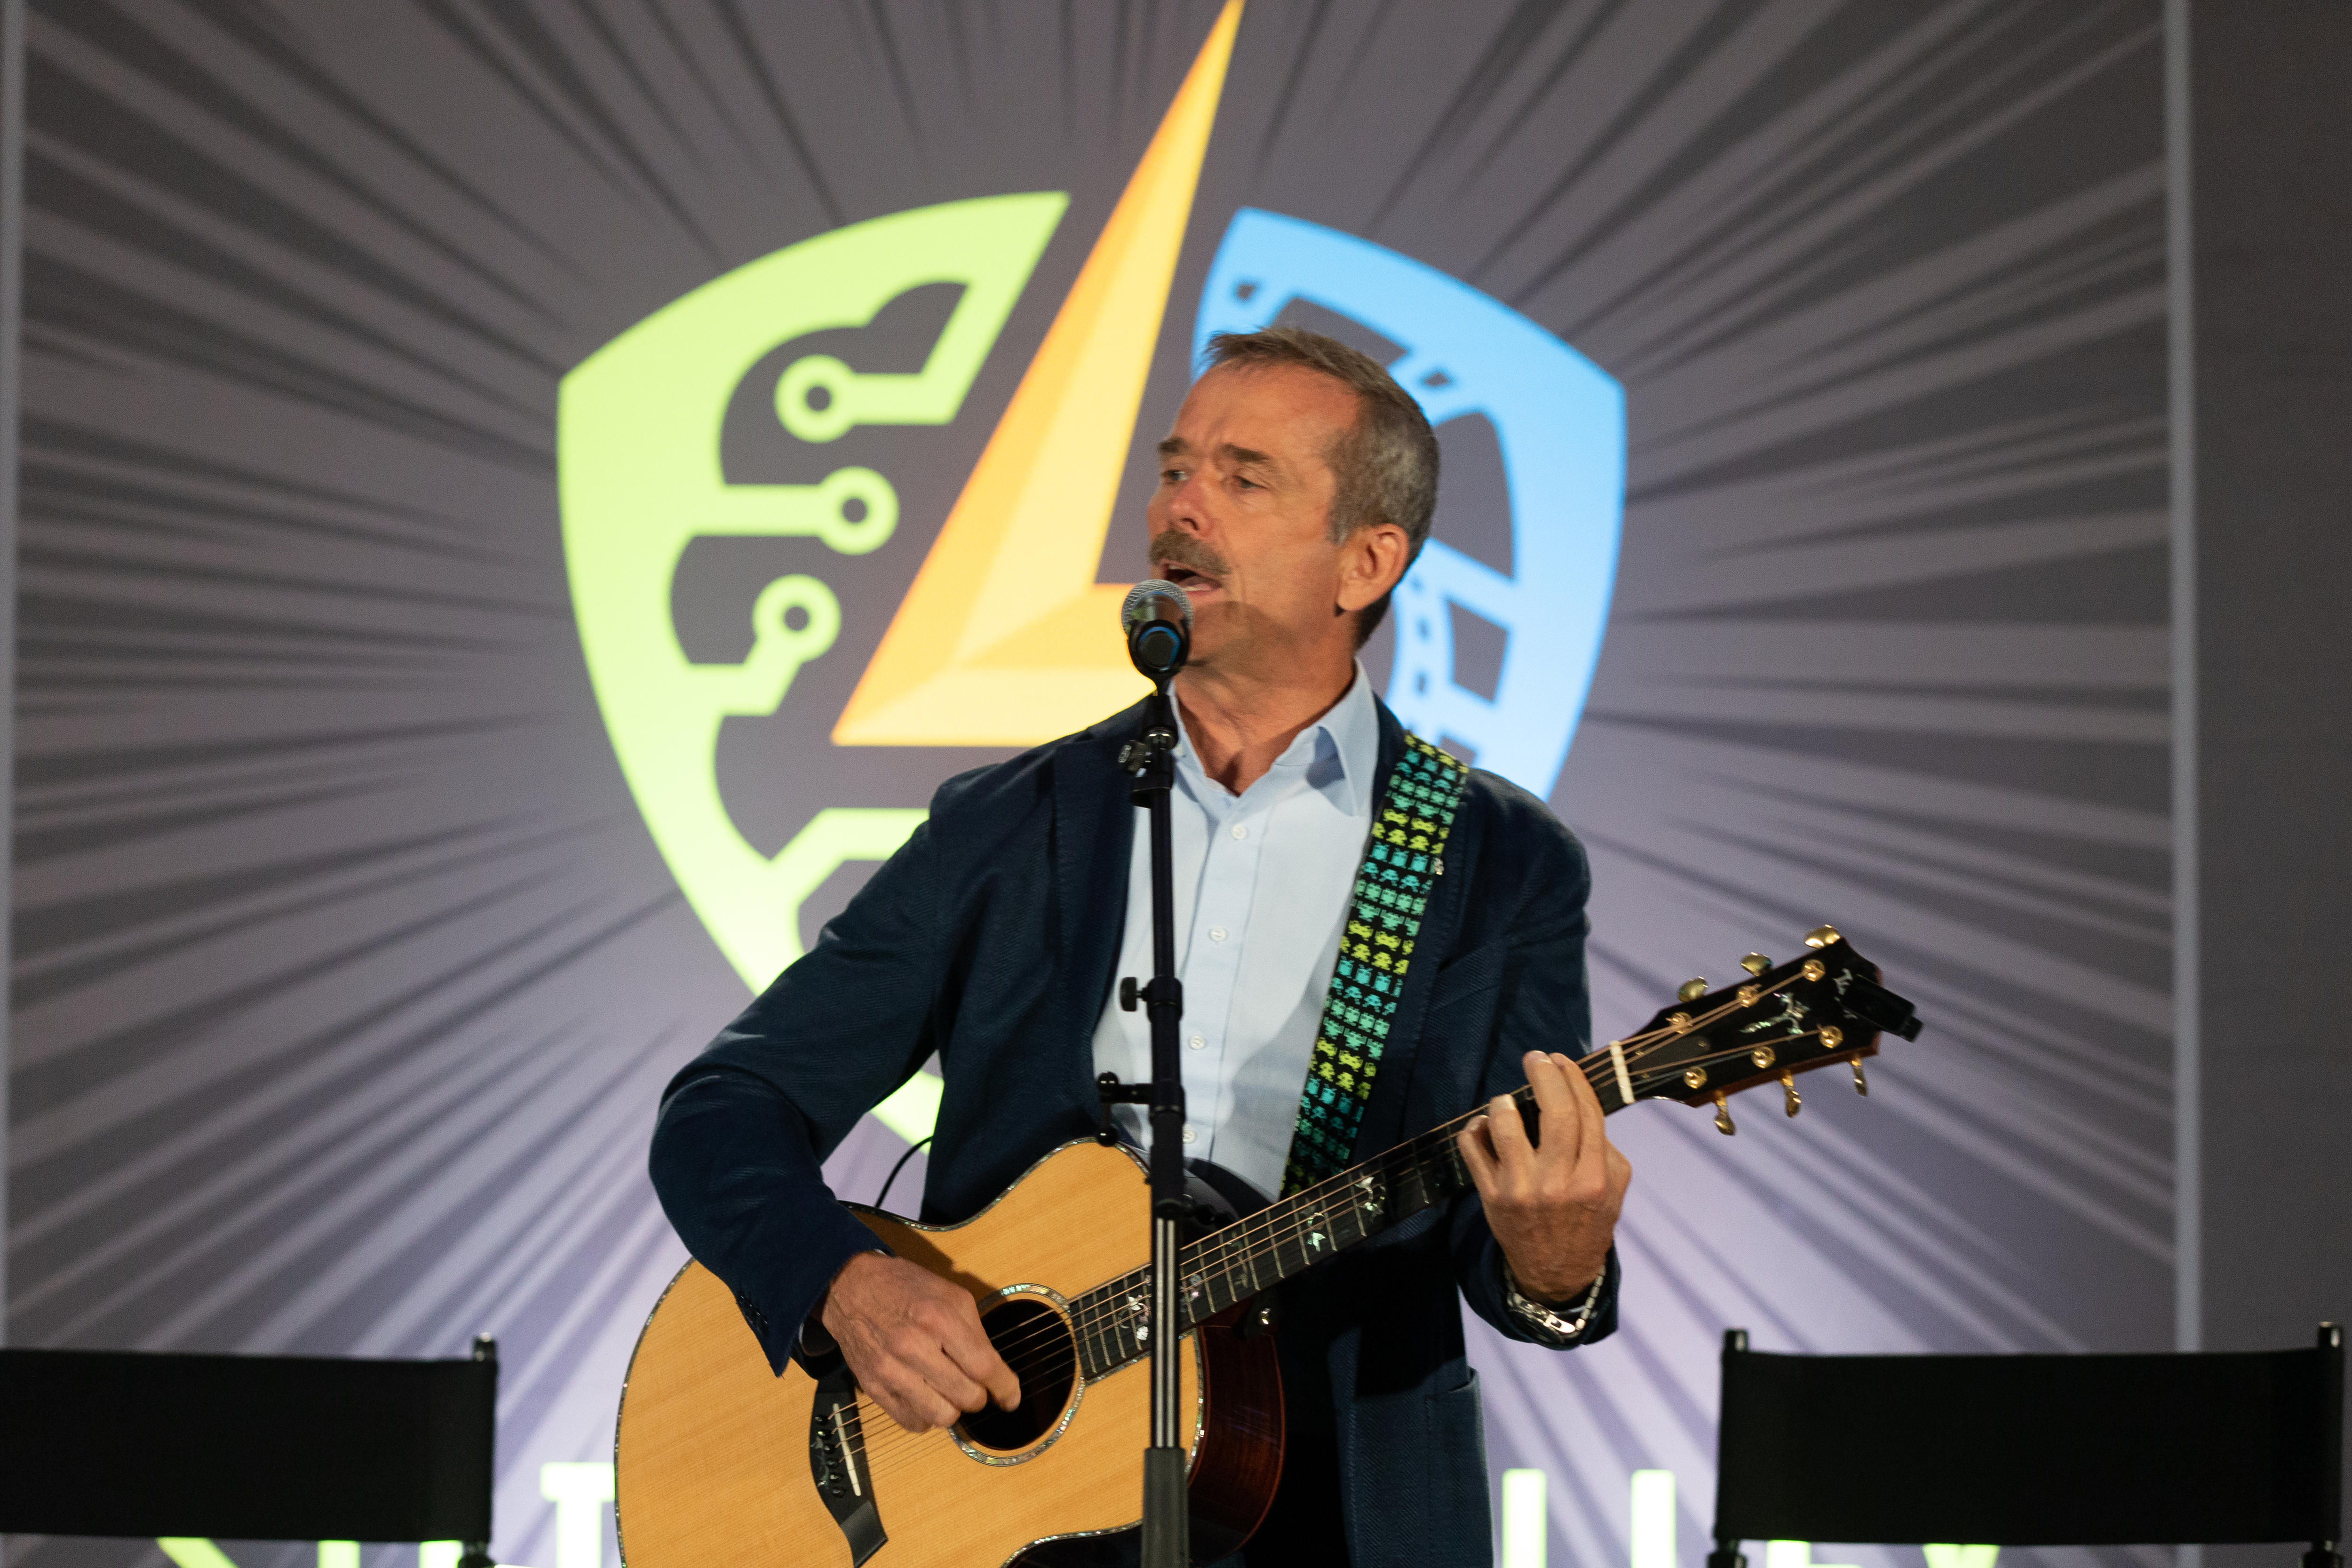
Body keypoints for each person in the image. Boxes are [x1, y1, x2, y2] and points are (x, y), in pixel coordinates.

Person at [649, 326, 1633, 1568]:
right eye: (1175, 469)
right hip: (1002, 1507)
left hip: (1332, 1509)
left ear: (1367, 562)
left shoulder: (1501, 862)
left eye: (1243, 478)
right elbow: (725, 1109)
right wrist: (842, 1282)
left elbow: (1511, 1249)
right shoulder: (1009, 826)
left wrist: (1556, 1265)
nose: (1180, 507)